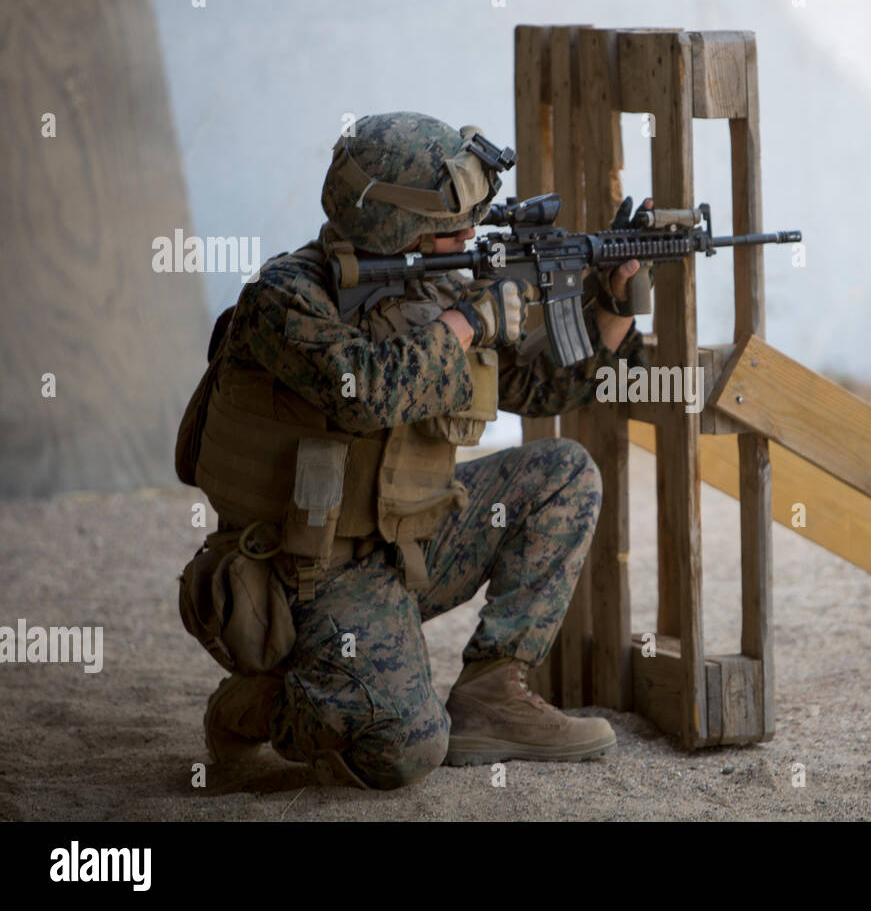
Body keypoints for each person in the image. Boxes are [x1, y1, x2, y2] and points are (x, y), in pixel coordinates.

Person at [176, 111, 648, 789]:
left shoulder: (434, 285)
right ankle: (263, 705)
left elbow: (538, 390)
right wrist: (469, 320)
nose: (468, 238)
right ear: (391, 229)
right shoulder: (284, 299)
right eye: (451, 228)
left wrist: (616, 306)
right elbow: (362, 390)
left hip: (408, 543)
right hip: (302, 575)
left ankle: (493, 693)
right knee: (405, 749)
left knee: (562, 474)